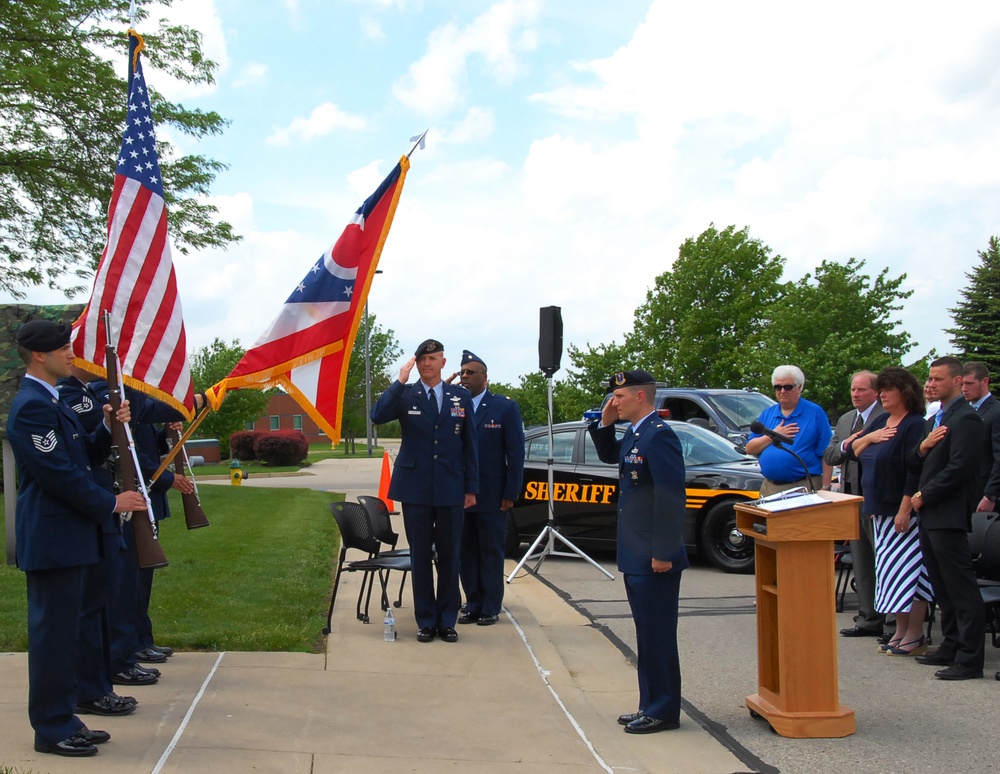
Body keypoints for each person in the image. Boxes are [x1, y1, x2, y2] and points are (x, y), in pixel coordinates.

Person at [8, 320, 147, 757]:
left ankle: (67, 714)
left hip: (72, 535)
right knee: (54, 636)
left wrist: (106, 427)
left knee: (73, 630)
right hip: (54, 538)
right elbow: (59, 476)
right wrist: (112, 502)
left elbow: (80, 454)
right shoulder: (32, 406)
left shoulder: (51, 401)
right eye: (64, 349)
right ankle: (51, 728)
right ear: (39, 356)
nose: (72, 355)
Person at [588, 370, 687, 735]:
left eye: (619, 397)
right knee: (646, 633)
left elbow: (672, 498)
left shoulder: (659, 437)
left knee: (658, 633)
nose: (614, 402)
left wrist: (663, 551)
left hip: (653, 555)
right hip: (636, 550)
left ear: (640, 397)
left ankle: (663, 710)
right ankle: (650, 703)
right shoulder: (635, 433)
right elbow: (607, 454)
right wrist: (604, 422)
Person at [370, 339, 478, 643]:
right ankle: (426, 621)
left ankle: (447, 620)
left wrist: (471, 487)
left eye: (432, 358)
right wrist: (399, 381)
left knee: (449, 555)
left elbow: (470, 446)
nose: (426, 363)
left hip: (451, 487)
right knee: (420, 556)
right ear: (415, 363)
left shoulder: (459, 396)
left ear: (443, 362)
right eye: (421, 359)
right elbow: (376, 416)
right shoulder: (406, 394)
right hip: (415, 488)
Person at [907, 356, 986, 680]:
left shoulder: (966, 419)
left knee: (960, 586)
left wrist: (926, 495)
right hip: (929, 514)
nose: (931, 384)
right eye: (930, 378)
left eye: (938, 379)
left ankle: (969, 658)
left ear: (957, 381)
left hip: (948, 513)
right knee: (941, 584)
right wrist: (923, 447)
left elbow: (960, 468)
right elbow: (913, 462)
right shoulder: (934, 420)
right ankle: (950, 644)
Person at [846, 367, 931, 655]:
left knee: (909, 574)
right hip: (877, 508)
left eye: (887, 389)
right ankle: (901, 631)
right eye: (880, 388)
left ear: (904, 392)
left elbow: (913, 469)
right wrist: (871, 437)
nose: (882, 394)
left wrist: (905, 508)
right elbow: (853, 450)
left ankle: (913, 633)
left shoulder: (915, 424)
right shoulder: (882, 420)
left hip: (900, 510)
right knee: (890, 574)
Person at [455, 351, 525, 627]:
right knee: (465, 551)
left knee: (490, 551)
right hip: (460, 495)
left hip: (492, 495)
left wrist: (511, 493)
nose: (465, 377)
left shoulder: (504, 408)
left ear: (485, 377)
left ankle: (491, 605)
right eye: (462, 373)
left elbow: (515, 454)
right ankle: (472, 602)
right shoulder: (455, 405)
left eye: (470, 373)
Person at [824, 371, 887, 638]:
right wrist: (849, 444)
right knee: (861, 561)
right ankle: (867, 617)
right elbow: (830, 454)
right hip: (850, 497)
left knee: (882, 561)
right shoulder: (846, 419)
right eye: (852, 390)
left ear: (875, 392)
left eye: (861, 390)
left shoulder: (884, 416)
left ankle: (891, 621)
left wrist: (856, 444)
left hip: (875, 498)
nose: (855, 394)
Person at [746, 365, 832, 496]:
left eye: (787, 387)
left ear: (799, 387)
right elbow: (750, 448)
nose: (782, 391)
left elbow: (826, 453)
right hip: (770, 487)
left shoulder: (815, 413)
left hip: (803, 486)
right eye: (777, 387)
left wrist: (826, 487)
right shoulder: (768, 414)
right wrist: (773, 436)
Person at [961, 362, 1000, 513]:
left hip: (984, 494)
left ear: (985, 381)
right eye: (962, 384)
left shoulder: (996, 412)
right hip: (964, 493)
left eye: (969, 383)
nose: (964, 389)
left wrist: (991, 495)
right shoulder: (964, 411)